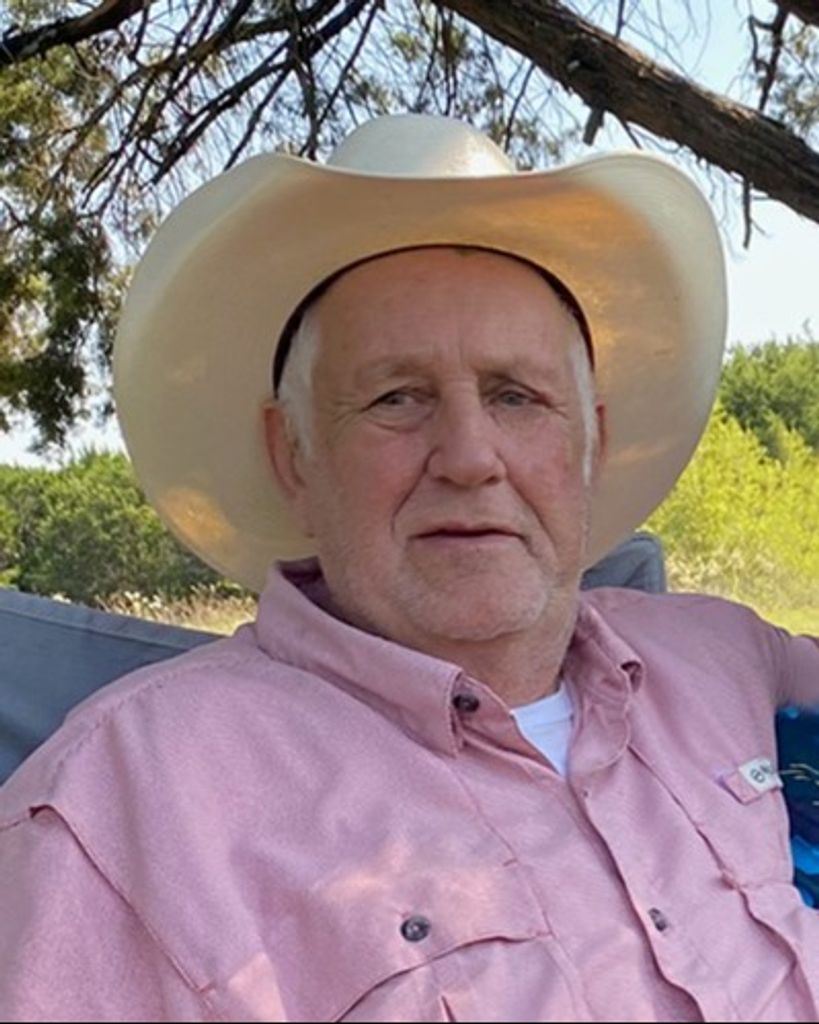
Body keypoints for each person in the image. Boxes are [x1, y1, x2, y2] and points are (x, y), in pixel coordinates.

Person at [1, 113, 817, 1023]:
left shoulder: (724, 655)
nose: (468, 457)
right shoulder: (120, 809)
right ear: (292, 455)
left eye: (517, 397)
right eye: (396, 398)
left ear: (591, 442)